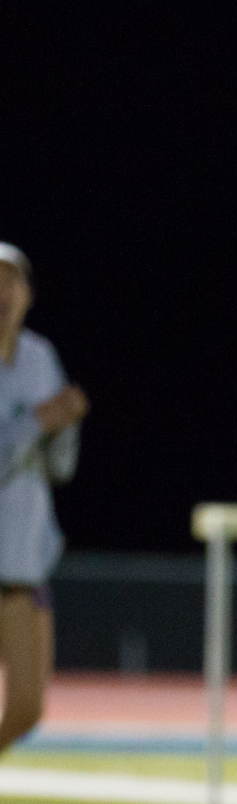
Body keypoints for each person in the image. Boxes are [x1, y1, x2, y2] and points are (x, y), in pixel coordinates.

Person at [0, 242, 87, 754]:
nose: (3, 294)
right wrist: (39, 421)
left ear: (29, 295)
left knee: (29, 708)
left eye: (12, 282)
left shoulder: (41, 357)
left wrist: (66, 425)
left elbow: (61, 467)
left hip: (25, 562)